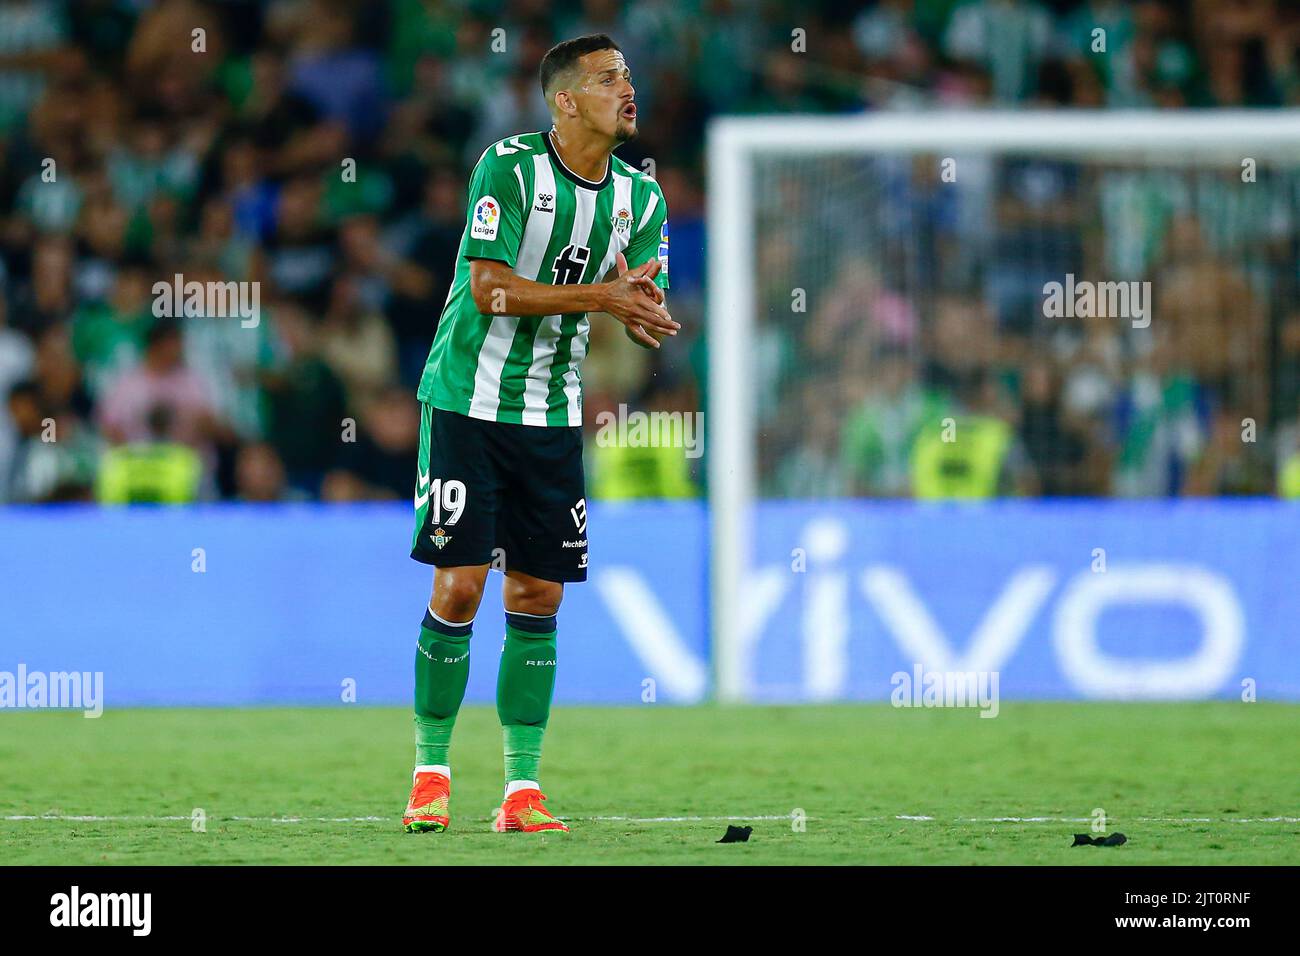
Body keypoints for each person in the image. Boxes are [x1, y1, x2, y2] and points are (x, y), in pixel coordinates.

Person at [402, 34, 677, 835]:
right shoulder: (509, 167)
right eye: (607, 79)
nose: (628, 90)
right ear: (565, 101)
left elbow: (638, 304)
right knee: (460, 585)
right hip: (466, 400)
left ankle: (521, 791)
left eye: (629, 75)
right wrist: (604, 297)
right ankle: (430, 773)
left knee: (538, 590)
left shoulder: (642, 199)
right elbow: (488, 290)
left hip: (549, 416)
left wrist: (644, 310)